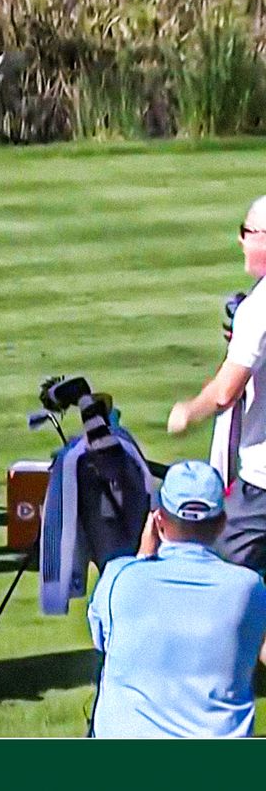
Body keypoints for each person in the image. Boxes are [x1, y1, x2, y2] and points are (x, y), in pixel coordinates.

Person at [87, 460, 266, 738]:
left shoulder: (117, 578)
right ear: (221, 523)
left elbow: (104, 641)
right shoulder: (249, 588)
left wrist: (143, 556)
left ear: (158, 521)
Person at [168, 194, 266, 573]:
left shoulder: (258, 309)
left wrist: (188, 411)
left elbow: (227, 391)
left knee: (217, 577)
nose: (241, 241)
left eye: (248, 232)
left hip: (260, 487)